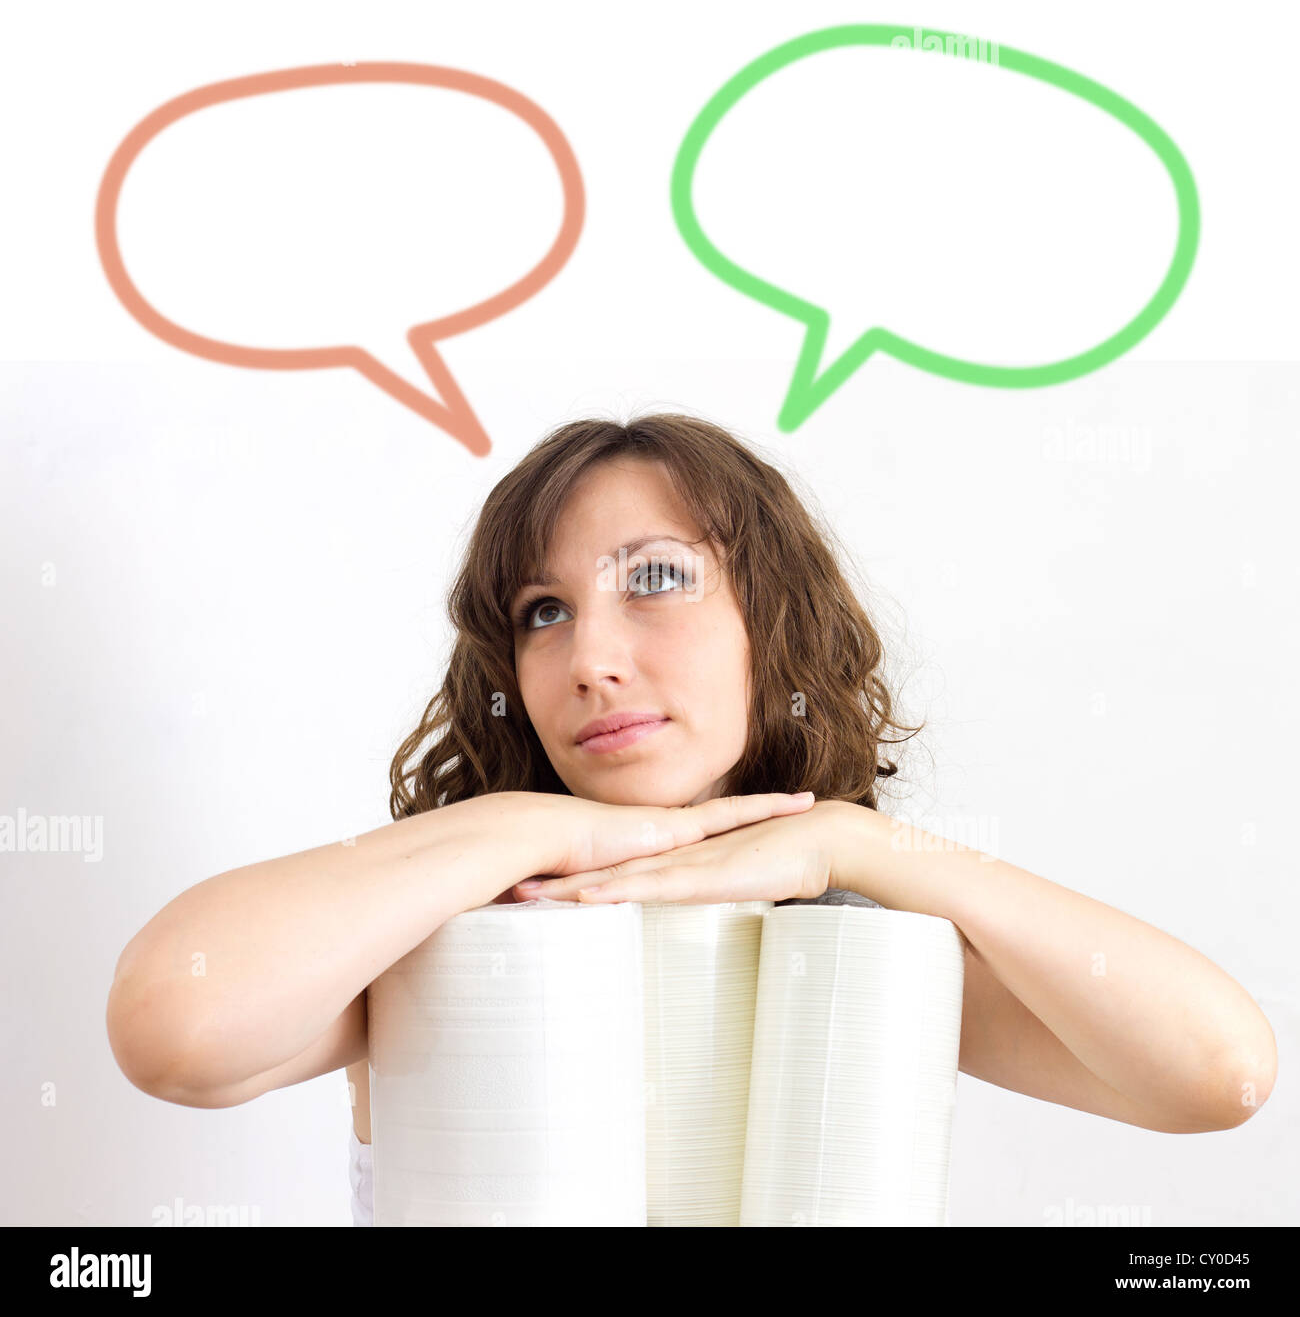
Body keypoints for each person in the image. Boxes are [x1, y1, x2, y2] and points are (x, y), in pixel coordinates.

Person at [106, 412, 1278, 1227]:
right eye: (544, 609)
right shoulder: (439, 940)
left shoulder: (856, 944)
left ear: (773, 622)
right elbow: (176, 1024)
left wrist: (859, 845)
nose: (591, 658)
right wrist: (532, 830)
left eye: (654, 579)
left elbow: (1218, 1075)